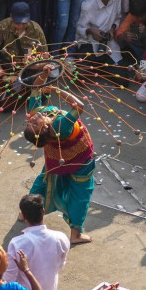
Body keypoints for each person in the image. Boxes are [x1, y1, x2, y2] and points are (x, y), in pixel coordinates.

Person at [24, 86, 96, 245]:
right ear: (43, 129)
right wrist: (57, 90)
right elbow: (79, 106)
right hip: (80, 161)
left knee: (44, 181)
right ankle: (76, 235)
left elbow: (35, 90)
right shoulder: (59, 125)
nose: (33, 118)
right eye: (34, 123)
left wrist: (44, 73)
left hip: (55, 160)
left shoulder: (37, 114)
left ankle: (26, 213)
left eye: (32, 121)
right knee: (81, 194)